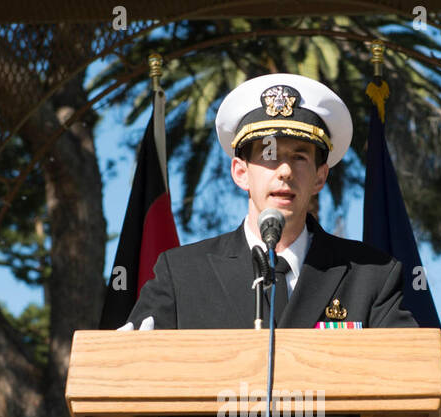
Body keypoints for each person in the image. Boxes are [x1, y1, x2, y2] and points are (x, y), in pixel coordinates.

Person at [126, 73, 416, 330]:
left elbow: (410, 375)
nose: (285, 171)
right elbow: (131, 372)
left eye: (300, 157)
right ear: (241, 173)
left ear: (320, 177)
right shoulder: (182, 274)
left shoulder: (372, 275)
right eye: (269, 155)